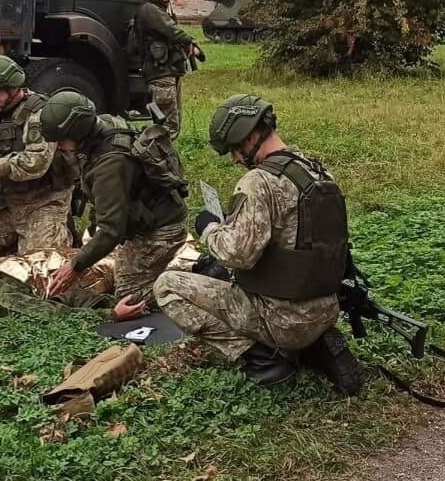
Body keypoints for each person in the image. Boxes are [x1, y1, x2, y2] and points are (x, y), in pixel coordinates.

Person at [153, 94, 362, 392]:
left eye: (236, 149)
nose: (236, 159)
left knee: (167, 286)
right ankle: (315, 344)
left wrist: (209, 228)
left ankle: (265, 357)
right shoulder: (316, 171)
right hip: (325, 307)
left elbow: (236, 255)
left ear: (252, 135)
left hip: (280, 319)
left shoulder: (258, 181)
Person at [39, 91, 189, 320]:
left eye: (61, 140)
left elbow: (112, 229)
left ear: (77, 132)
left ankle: (191, 285)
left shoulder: (109, 164)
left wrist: (75, 265)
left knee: (129, 299)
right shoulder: (105, 124)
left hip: (160, 229)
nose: (59, 147)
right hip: (145, 218)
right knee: (122, 274)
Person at [0, 56, 77, 259]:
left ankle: (61, 235)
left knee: (41, 263)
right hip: (6, 201)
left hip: (42, 201)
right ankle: (14, 249)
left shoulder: (40, 114)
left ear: (13, 88)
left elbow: (38, 160)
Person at [0, 248, 126, 321]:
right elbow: (53, 314)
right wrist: (112, 314)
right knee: (124, 263)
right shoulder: (4, 300)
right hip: (70, 273)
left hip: (47, 258)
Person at [134, 0, 202, 139]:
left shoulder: (161, 9)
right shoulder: (150, 9)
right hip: (161, 75)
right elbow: (172, 30)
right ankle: (158, 161)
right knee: (168, 129)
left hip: (168, 73)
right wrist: (191, 41)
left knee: (164, 125)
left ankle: (156, 158)